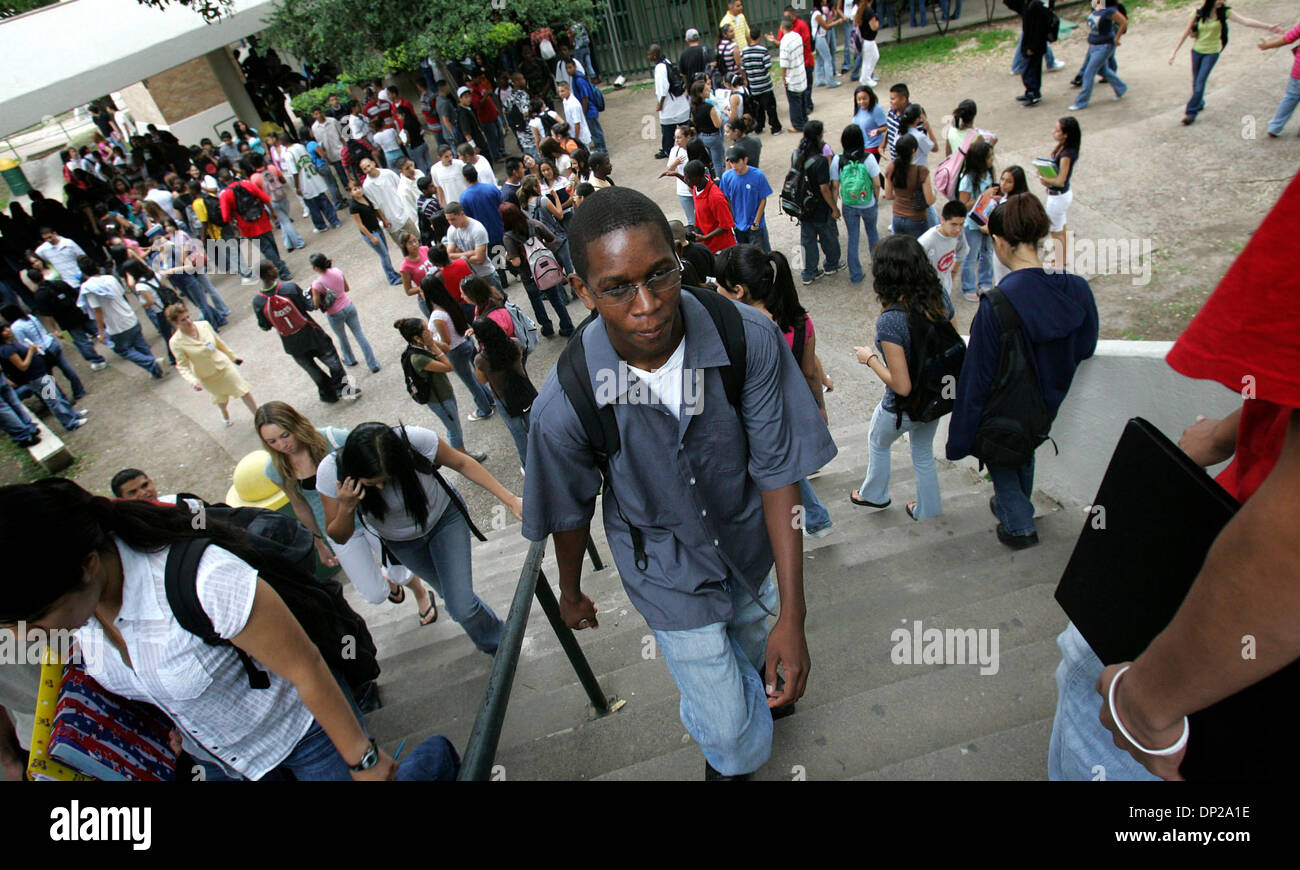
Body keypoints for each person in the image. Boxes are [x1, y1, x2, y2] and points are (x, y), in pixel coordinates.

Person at [522, 186, 835, 779]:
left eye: (662, 274)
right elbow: (568, 511)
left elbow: (778, 477)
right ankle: (730, 748)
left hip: (748, 546)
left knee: (749, 643)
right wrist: (569, 590)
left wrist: (792, 618)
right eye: (617, 288)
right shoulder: (566, 405)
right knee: (732, 737)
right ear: (582, 291)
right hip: (666, 572)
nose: (649, 305)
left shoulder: (748, 337)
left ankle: (753, 698)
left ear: (680, 259)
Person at [1060, 176, 1300, 782]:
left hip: (1222, 640)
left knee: (1088, 690)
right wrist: (1224, 436)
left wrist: (1145, 706)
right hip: (1243, 616)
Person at [0, 478, 397, 781]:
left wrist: (363, 760)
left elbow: (306, 667)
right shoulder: (80, 615)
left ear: (87, 566)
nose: (23, 636)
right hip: (222, 764)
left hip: (306, 744)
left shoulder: (204, 580)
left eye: (34, 619)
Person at [946, 195, 1098, 549]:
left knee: (1002, 457)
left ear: (999, 242)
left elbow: (977, 378)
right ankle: (1014, 506)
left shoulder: (997, 304)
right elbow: (1087, 347)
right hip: (1047, 403)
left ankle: (1019, 527)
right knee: (1024, 449)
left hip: (1004, 408)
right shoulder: (1077, 288)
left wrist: (959, 438)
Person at [320, 423, 521, 655]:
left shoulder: (415, 440)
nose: (382, 486)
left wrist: (510, 500)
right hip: (402, 543)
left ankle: (502, 647)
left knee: (461, 607)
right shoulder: (331, 471)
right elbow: (338, 535)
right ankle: (499, 641)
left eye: (388, 478)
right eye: (373, 482)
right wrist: (346, 507)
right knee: (454, 599)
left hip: (444, 521)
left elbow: (462, 462)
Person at [256, 402, 432, 622]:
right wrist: (318, 543)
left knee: (401, 570)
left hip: (371, 516)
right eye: (271, 442)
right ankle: (388, 580)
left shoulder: (333, 438)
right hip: (336, 528)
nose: (282, 445)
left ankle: (421, 593)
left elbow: (374, 463)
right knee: (374, 594)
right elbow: (300, 505)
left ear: (296, 424)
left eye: (285, 435)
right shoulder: (275, 469)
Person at [716, 244, 833, 537]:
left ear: (739, 290)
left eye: (719, 285)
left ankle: (797, 524)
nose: (715, 290)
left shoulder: (738, 331)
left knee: (775, 476)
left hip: (757, 423)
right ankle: (816, 518)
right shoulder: (800, 320)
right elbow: (809, 372)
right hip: (790, 413)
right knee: (788, 470)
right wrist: (820, 409)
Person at [850, 234, 957, 520]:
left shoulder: (891, 321)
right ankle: (928, 510)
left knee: (877, 440)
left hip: (902, 407)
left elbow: (902, 385)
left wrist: (869, 358)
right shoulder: (939, 297)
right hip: (935, 396)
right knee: (922, 452)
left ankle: (874, 495)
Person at [252, 261, 359, 404]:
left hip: (291, 344)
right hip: (312, 334)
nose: (276, 268)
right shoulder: (289, 288)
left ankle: (327, 394)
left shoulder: (258, 301)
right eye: (273, 267)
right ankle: (344, 389)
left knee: (312, 370)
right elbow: (309, 306)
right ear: (269, 273)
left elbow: (265, 326)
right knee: (332, 360)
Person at [1171, 2, 1281, 125]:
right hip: (1196, 51)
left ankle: (1190, 113)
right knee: (1196, 81)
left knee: (1200, 82)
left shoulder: (1225, 12)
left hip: (1212, 52)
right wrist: (1174, 52)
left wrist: (1269, 26)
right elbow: (1186, 32)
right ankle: (1199, 102)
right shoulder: (1198, 13)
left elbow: (1246, 21)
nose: (1222, 1)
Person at [393, 318, 486, 462]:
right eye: (425, 330)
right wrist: (433, 346)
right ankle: (462, 458)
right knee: (454, 429)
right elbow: (448, 367)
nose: (430, 331)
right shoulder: (418, 358)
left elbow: (447, 348)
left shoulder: (422, 345)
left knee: (453, 426)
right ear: (417, 338)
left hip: (444, 392)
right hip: (439, 399)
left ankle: (459, 454)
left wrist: (432, 343)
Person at [164, 303, 256, 427]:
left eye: (188, 316)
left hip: (223, 366)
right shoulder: (176, 342)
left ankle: (258, 417)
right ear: (176, 323)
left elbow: (219, 343)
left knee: (243, 390)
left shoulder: (204, 325)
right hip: (207, 376)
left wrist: (233, 357)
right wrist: (192, 381)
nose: (188, 321)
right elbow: (182, 366)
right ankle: (224, 413)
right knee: (222, 399)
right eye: (183, 320)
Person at [421, 272, 495, 422]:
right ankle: (488, 399)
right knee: (473, 376)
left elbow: (446, 342)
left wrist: (430, 341)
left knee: (470, 381)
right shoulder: (449, 302)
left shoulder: (437, 316)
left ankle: (484, 408)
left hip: (456, 350)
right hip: (465, 342)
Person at [76, 258, 164, 379]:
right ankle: (156, 370)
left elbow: (97, 311)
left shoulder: (88, 288)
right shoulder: (110, 278)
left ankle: (152, 363)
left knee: (123, 350)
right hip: (129, 316)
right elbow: (122, 294)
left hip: (115, 325)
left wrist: (100, 331)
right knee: (140, 344)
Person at [500, 202, 574, 338]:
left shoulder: (509, 237)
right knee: (556, 299)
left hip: (528, 276)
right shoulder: (534, 224)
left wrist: (507, 257)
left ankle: (547, 327)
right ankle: (567, 326)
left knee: (537, 303)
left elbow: (516, 262)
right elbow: (551, 238)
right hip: (545, 270)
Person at [471, 316, 537, 469]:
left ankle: (528, 466)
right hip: (524, 389)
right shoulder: (514, 343)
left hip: (503, 398)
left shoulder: (481, 359)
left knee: (518, 434)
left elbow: (481, 381)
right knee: (534, 426)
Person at [0, 320, 86, 432]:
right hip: (34, 377)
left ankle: (72, 414)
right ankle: (70, 423)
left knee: (57, 395)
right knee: (53, 400)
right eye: (3, 330)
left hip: (40, 372)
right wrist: (31, 352)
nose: (7, 330)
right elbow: (22, 366)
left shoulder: (11, 344)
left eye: (6, 328)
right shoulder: (7, 350)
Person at [308, 254, 381, 373]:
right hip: (348, 306)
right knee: (359, 335)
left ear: (316, 268)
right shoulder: (337, 271)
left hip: (334, 313)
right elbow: (346, 288)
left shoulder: (317, 284)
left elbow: (315, 305)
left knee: (342, 337)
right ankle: (373, 364)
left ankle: (349, 359)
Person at [218, 169, 293, 281]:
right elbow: (264, 198)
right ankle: (279, 263)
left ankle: (282, 269)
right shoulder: (246, 183)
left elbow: (225, 216)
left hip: (246, 225)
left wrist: (235, 226)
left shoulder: (224, 194)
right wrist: (272, 212)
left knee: (266, 248)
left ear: (221, 180)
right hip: (262, 218)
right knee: (271, 244)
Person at [1, 303, 85, 403]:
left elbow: (24, 343)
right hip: (51, 343)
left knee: (48, 379)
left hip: (41, 352)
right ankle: (79, 391)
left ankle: (61, 400)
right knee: (67, 369)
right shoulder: (30, 317)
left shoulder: (16, 327)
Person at [792, 121, 842, 285]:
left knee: (808, 239)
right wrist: (834, 208)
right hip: (819, 207)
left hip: (803, 206)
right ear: (820, 136)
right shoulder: (819, 161)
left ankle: (809, 272)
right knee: (828, 236)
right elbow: (824, 189)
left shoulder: (796, 154)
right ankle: (831, 264)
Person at [831, 122, 882, 285]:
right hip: (868, 204)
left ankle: (855, 274)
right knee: (872, 233)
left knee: (853, 238)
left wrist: (835, 207)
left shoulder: (838, 160)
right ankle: (879, 269)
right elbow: (877, 183)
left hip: (849, 205)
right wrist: (875, 198)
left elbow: (835, 186)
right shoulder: (869, 158)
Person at [661, 159, 736, 256]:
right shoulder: (698, 185)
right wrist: (676, 174)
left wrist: (705, 237)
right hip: (707, 244)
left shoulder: (715, 198)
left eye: (687, 178)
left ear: (696, 178)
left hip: (720, 249)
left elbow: (726, 226)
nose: (685, 180)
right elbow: (689, 182)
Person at [955, 140, 998, 301]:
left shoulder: (988, 174)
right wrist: (983, 196)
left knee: (987, 253)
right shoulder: (967, 180)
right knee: (970, 256)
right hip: (973, 225)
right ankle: (968, 287)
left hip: (988, 222)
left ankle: (985, 283)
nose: (992, 159)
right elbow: (963, 205)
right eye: (989, 157)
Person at [1068, 0, 1129, 111]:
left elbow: (1124, 22)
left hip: (1104, 46)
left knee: (1088, 73)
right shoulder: (1096, 8)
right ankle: (1121, 87)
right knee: (1103, 70)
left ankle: (1081, 102)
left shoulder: (1109, 10)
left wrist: (1116, 38)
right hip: (1094, 45)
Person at [1040, 117, 1080, 269]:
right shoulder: (1065, 148)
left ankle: (1059, 261)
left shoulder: (1066, 155)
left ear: (1066, 134)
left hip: (1058, 197)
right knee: (1061, 227)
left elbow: (1060, 180)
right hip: (1061, 195)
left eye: (1057, 130)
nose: (1054, 132)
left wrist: (1045, 179)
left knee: (1056, 231)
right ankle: (1062, 258)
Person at [347, 179, 403, 286]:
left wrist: (383, 220)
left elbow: (375, 211)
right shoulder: (354, 207)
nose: (358, 191)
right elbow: (360, 225)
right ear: (350, 192)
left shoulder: (365, 198)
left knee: (385, 252)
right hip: (370, 233)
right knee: (384, 255)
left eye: (358, 188)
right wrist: (371, 237)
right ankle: (391, 277)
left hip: (377, 228)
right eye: (355, 189)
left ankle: (392, 273)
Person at [917, 201, 970, 312]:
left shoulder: (958, 233)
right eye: (954, 224)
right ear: (942, 220)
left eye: (961, 224)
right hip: (929, 295)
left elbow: (962, 250)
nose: (958, 229)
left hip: (945, 289)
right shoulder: (926, 242)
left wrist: (953, 273)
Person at [720, 146, 773, 252]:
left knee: (757, 253)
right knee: (744, 254)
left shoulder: (758, 175)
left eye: (736, 162)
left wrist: (756, 222)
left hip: (754, 224)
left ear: (745, 160)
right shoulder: (726, 177)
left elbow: (763, 199)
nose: (734, 165)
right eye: (731, 162)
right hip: (738, 225)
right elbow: (726, 199)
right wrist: (732, 221)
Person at [883, 133, 934, 240]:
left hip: (897, 217)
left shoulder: (891, 168)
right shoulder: (921, 171)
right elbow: (929, 200)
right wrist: (935, 194)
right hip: (916, 219)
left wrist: (900, 196)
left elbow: (888, 195)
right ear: (914, 151)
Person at [286, 136, 342, 233]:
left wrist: (297, 187)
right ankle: (334, 221)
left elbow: (294, 172)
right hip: (314, 178)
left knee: (313, 207)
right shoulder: (300, 146)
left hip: (304, 183)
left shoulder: (288, 154)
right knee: (323, 200)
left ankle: (321, 226)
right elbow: (309, 159)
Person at [444, 202, 503, 291]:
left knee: (500, 301)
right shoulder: (451, 230)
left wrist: (458, 254)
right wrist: (469, 253)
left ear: (462, 214)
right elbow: (449, 254)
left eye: (453, 219)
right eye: (448, 220)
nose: (450, 223)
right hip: (469, 277)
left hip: (486, 275)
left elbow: (480, 259)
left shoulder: (477, 229)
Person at [1257, 17, 1300, 137]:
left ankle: (1275, 127)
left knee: (1290, 97)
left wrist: (1267, 46)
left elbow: (1287, 39)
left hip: (1298, 71)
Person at [359, 157, 417, 242]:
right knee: (402, 245)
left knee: (417, 238)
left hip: (404, 212)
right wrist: (384, 219)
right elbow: (375, 206)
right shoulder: (367, 186)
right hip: (390, 219)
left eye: (368, 165)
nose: (368, 169)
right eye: (365, 169)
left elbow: (401, 187)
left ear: (373, 163)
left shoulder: (388, 173)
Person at [650, 44, 692, 160]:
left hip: (670, 106)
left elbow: (663, 88)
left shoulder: (660, 68)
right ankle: (689, 145)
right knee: (684, 127)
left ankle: (668, 150)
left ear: (654, 55)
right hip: (680, 104)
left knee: (667, 130)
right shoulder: (666, 61)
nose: (648, 57)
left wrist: (660, 104)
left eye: (649, 54)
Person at [1015, 0, 1053, 107]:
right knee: (1029, 67)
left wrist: (1032, 47)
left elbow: (1038, 29)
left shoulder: (1036, 5)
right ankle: (1031, 92)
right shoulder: (1029, 4)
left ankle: (1034, 93)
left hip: (1034, 44)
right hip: (1030, 41)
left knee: (1030, 68)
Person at [779, 13, 810, 134]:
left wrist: (784, 78)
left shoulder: (784, 42)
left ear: (782, 27)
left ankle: (797, 125)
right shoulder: (797, 36)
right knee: (802, 99)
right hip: (801, 73)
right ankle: (804, 120)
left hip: (792, 76)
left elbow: (784, 64)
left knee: (794, 102)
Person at [665, 126, 698, 224]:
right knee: (692, 220)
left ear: (688, 137)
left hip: (697, 190)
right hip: (683, 192)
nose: (677, 140)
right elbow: (669, 170)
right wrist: (674, 164)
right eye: (675, 138)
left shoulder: (696, 149)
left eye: (679, 137)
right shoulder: (675, 151)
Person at [811, 3, 844, 89]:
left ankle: (819, 79)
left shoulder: (820, 13)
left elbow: (827, 23)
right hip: (820, 37)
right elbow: (825, 26)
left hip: (820, 37)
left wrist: (833, 18)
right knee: (827, 58)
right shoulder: (817, 14)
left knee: (820, 58)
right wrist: (837, 22)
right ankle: (830, 81)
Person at [852, 85, 888, 157]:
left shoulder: (877, 110)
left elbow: (886, 127)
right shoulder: (858, 109)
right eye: (859, 99)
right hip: (861, 145)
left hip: (873, 146)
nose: (861, 102)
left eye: (864, 99)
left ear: (870, 97)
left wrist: (877, 131)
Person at [856, 1, 882, 87]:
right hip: (868, 40)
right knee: (867, 60)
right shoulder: (868, 11)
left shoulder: (861, 9)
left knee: (875, 56)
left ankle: (866, 76)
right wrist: (878, 22)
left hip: (867, 39)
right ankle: (865, 79)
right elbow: (874, 27)